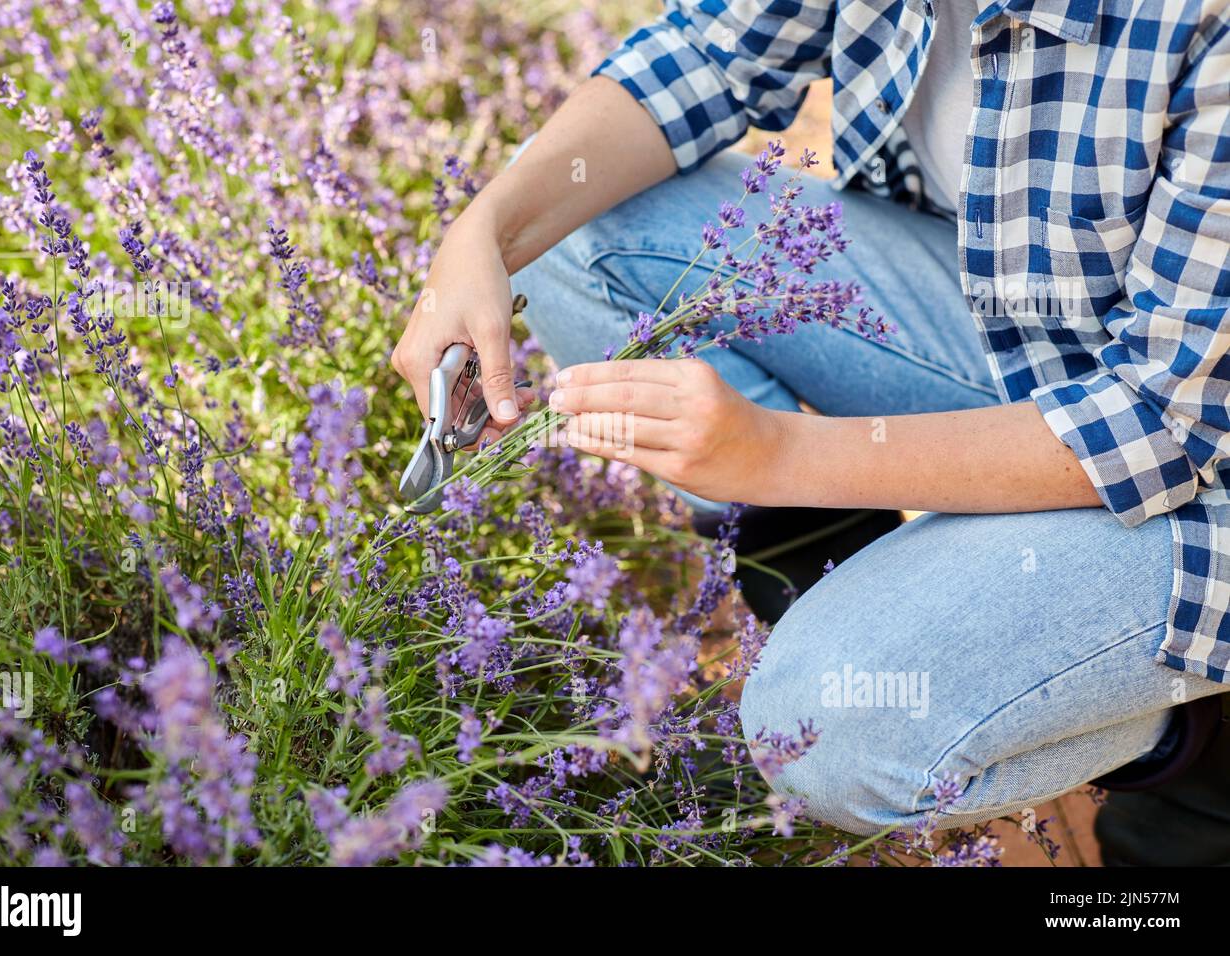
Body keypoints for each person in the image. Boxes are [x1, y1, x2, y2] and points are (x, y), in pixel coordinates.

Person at [392, 0, 1230, 842]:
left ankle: (1192, 740)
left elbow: (1160, 425)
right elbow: (709, 54)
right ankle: (872, 592)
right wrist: (483, 234)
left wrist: (777, 453)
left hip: (1197, 461)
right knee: (582, 225)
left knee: (824, 725)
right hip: (1023, 327)